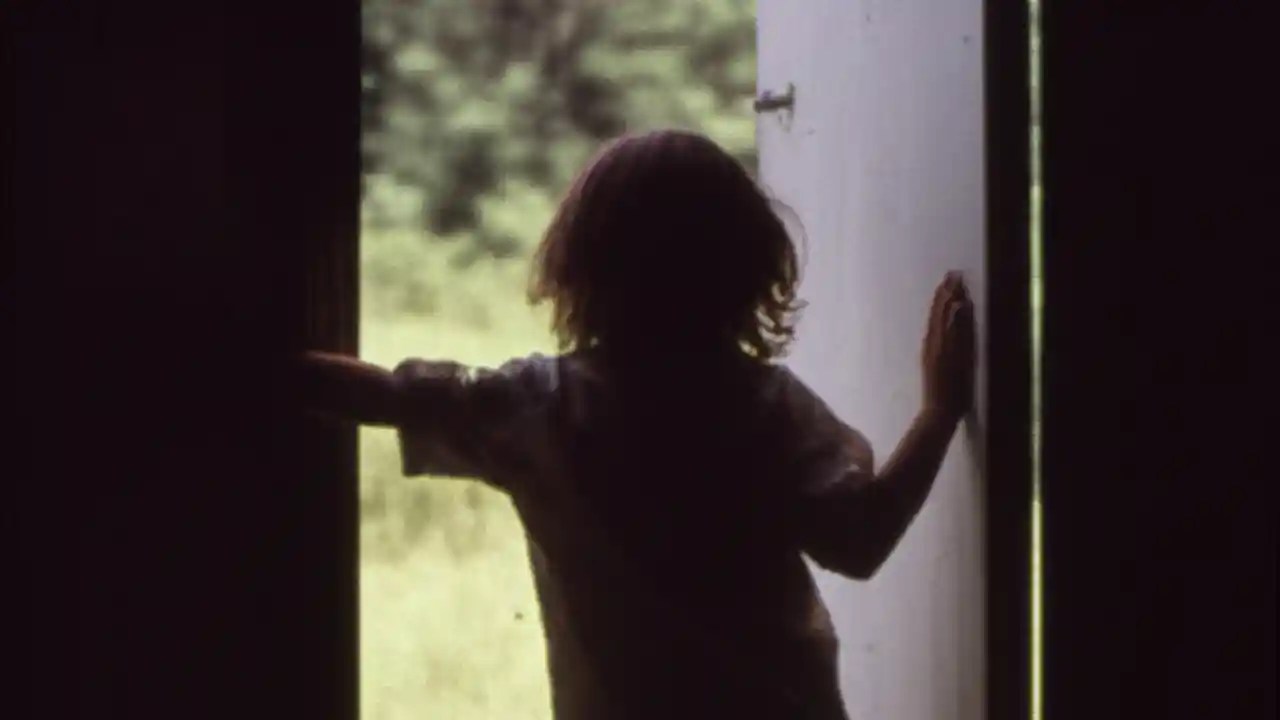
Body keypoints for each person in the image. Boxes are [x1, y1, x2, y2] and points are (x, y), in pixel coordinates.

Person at [300, 130, 975, 720]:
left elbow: (390, 396)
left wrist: (254, 363)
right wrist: (939, 411)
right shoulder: (766, 408)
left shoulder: (541, 404)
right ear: (748, 268)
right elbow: (861, 541)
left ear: (576, 266)